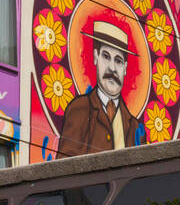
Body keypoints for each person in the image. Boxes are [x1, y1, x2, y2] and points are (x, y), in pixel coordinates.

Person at [57, 20, 144, 157]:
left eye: (118, 61)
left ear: (125, 68)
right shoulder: (80, 109)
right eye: (106, 56)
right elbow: (65, 168)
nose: (112, 68)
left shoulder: (134, 127)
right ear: (95, 57)